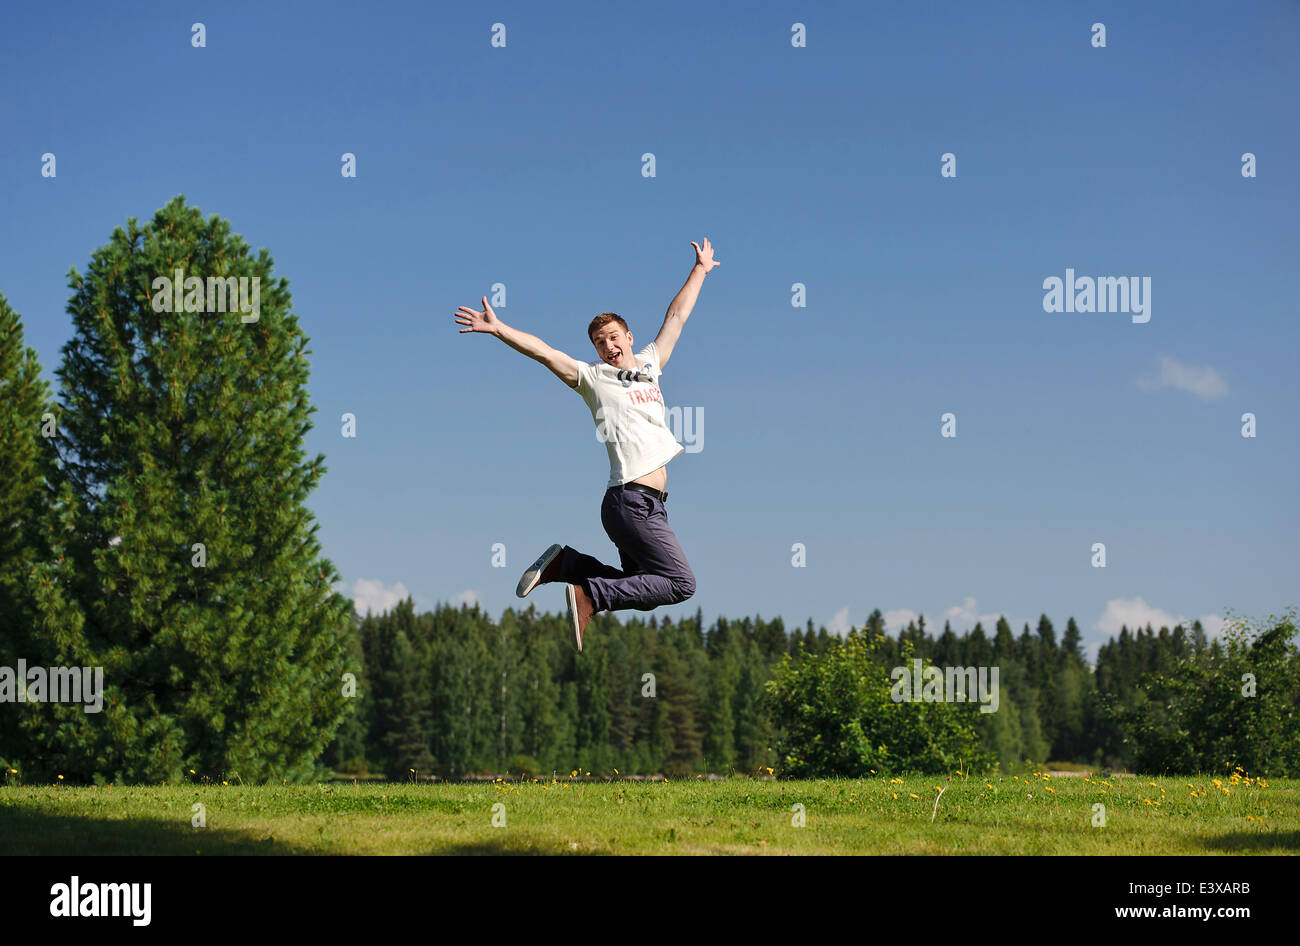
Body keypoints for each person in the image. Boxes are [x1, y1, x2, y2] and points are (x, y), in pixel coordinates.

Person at [454, 238, 720, 651]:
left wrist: (700, 270)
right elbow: (544, 352)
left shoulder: (651, 363)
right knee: (680, 583)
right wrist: (499, 329)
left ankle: (569, 565)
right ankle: (591, 595)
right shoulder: (593, 379)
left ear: (629, 337)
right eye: (600, 342)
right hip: (630, 501)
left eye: (614, 337)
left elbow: (677, 316)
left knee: (645, 587)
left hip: (648, 504)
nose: (609, 347)